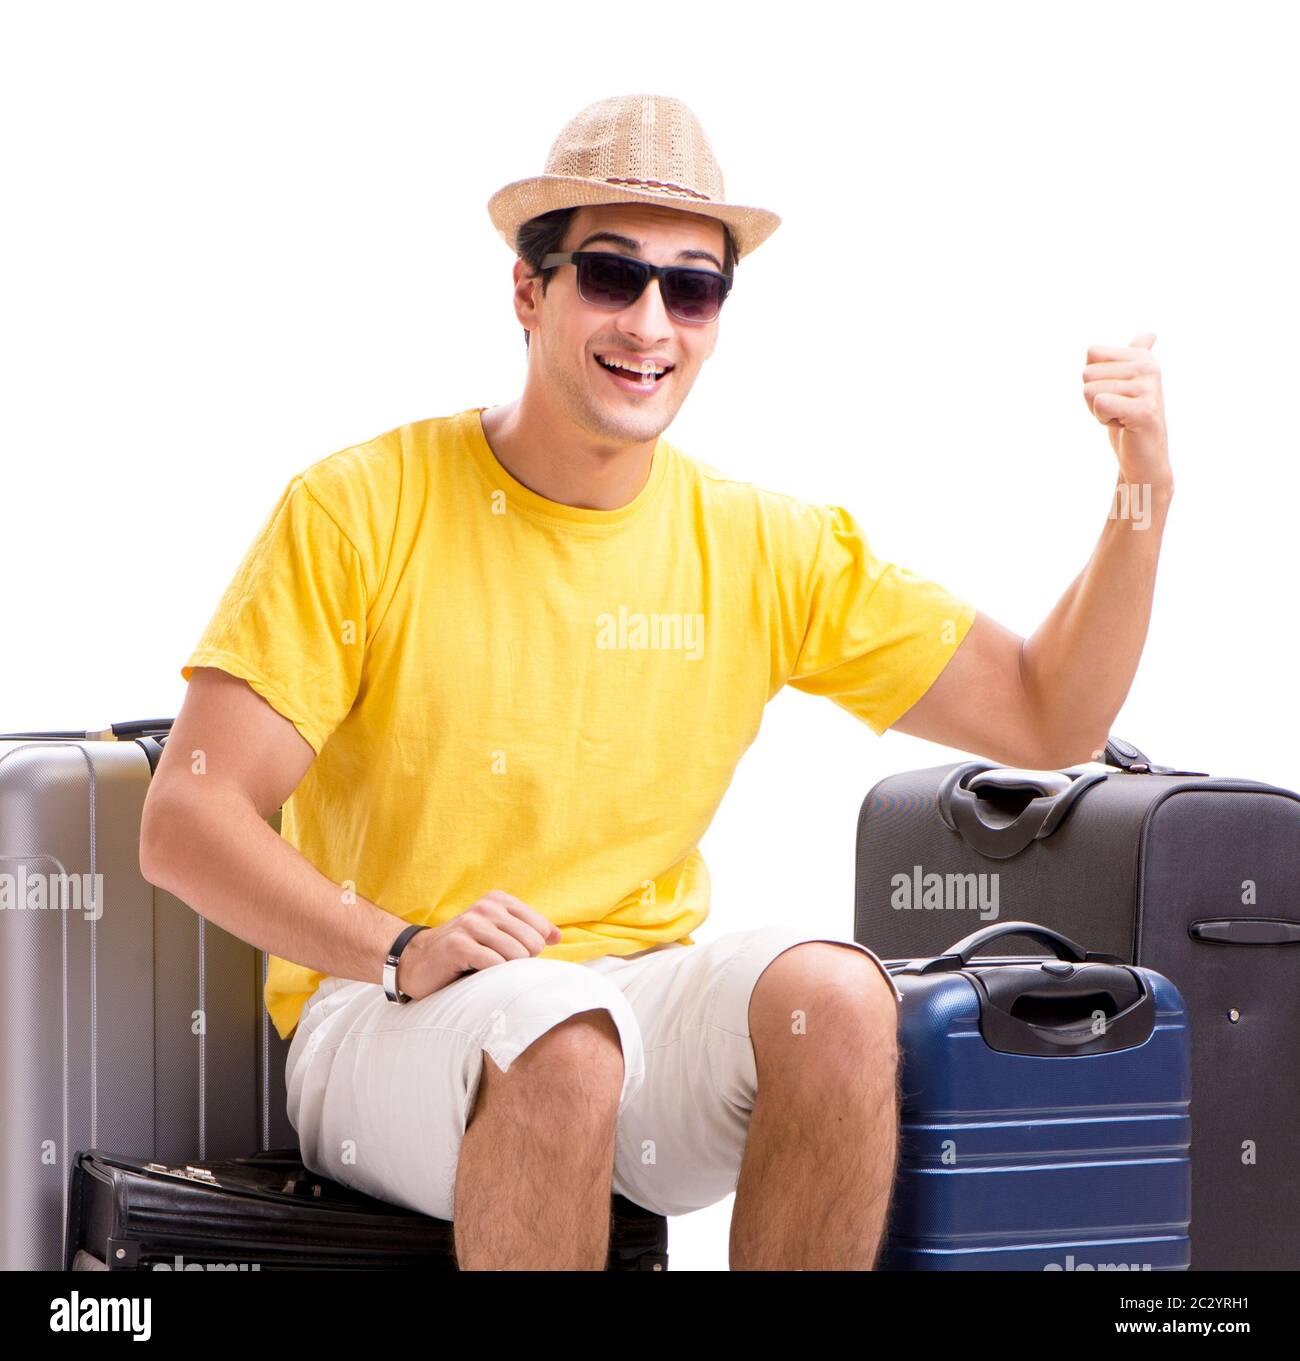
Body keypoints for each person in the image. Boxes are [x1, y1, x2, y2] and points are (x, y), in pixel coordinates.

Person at [140, 93, 1173, 1270]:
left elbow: (1051, 713)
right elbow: (186, 818)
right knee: (559, 1038)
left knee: (840, 999)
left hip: (634, 999)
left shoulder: (760, 542)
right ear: (528, 292)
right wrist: (395, 942)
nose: (649, 321)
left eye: (691, 287)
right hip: (384, 1014)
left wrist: (1142, 493)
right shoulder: (361, 506)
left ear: (718, 318)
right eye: (609, 275)